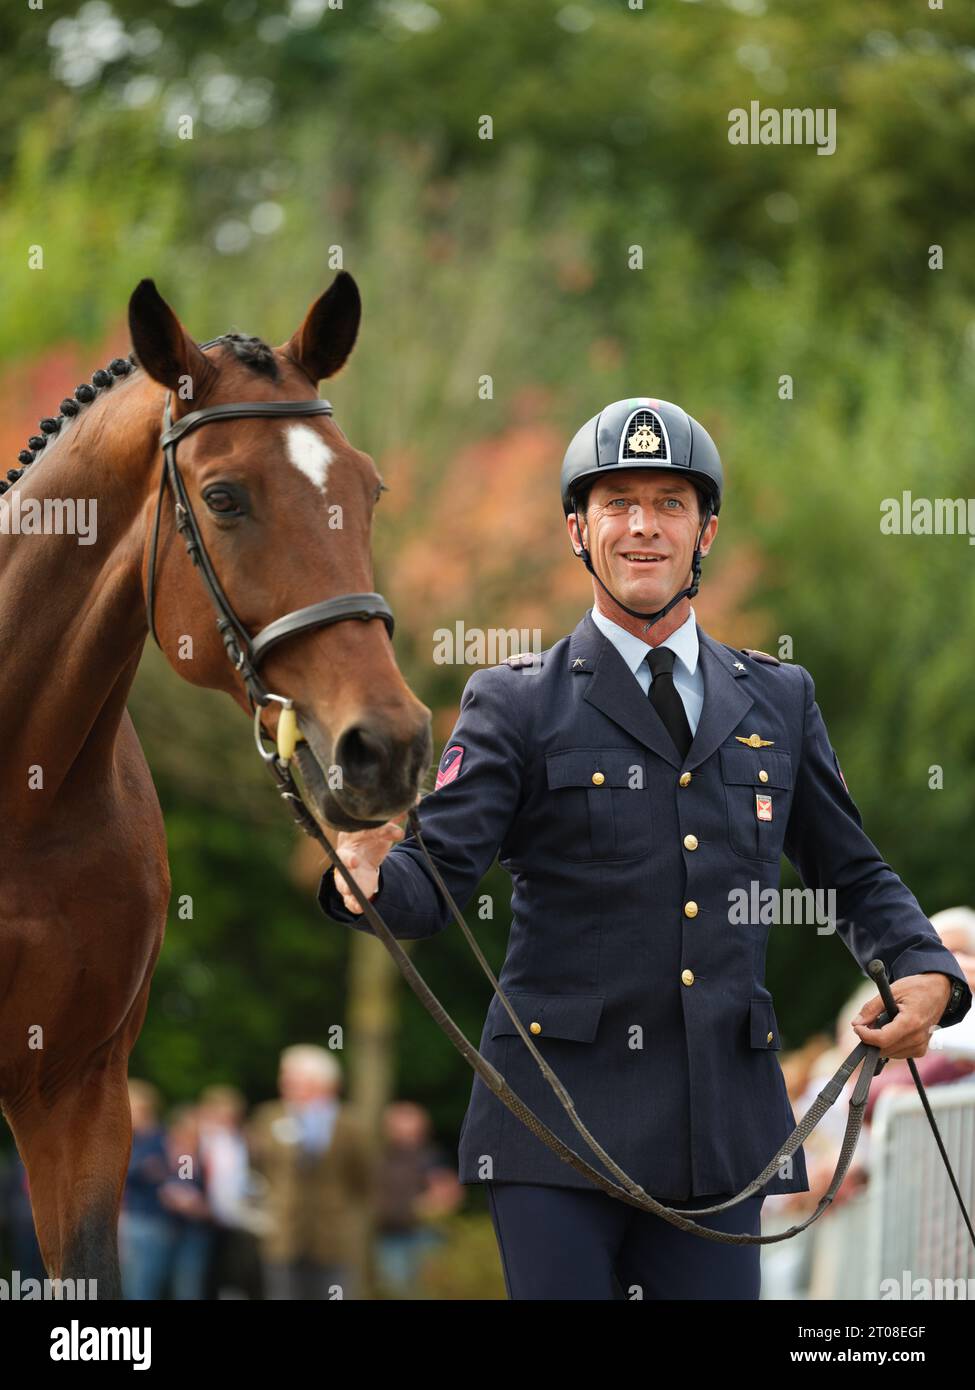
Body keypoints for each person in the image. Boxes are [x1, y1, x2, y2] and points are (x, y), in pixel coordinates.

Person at [318, 396, 972, 1301]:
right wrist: (365, 877)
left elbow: (849, 868)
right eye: (617, 502)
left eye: (669, 503)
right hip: (554, 1128)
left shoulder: (779, 700)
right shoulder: (514, 702)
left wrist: (918, 965)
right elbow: (431, 883)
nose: (642, 526)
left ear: (705, 530)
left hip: (724, 1138)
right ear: (577, 530)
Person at [247, 1045, 374, 1300]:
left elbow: (363, 1178)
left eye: (292, 1077)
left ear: (322, 1083)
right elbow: (257, 1167)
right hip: (284, 1234)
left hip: (332, 1236)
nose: (283, 1082)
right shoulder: (268, 1116)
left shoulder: (350, 1123)